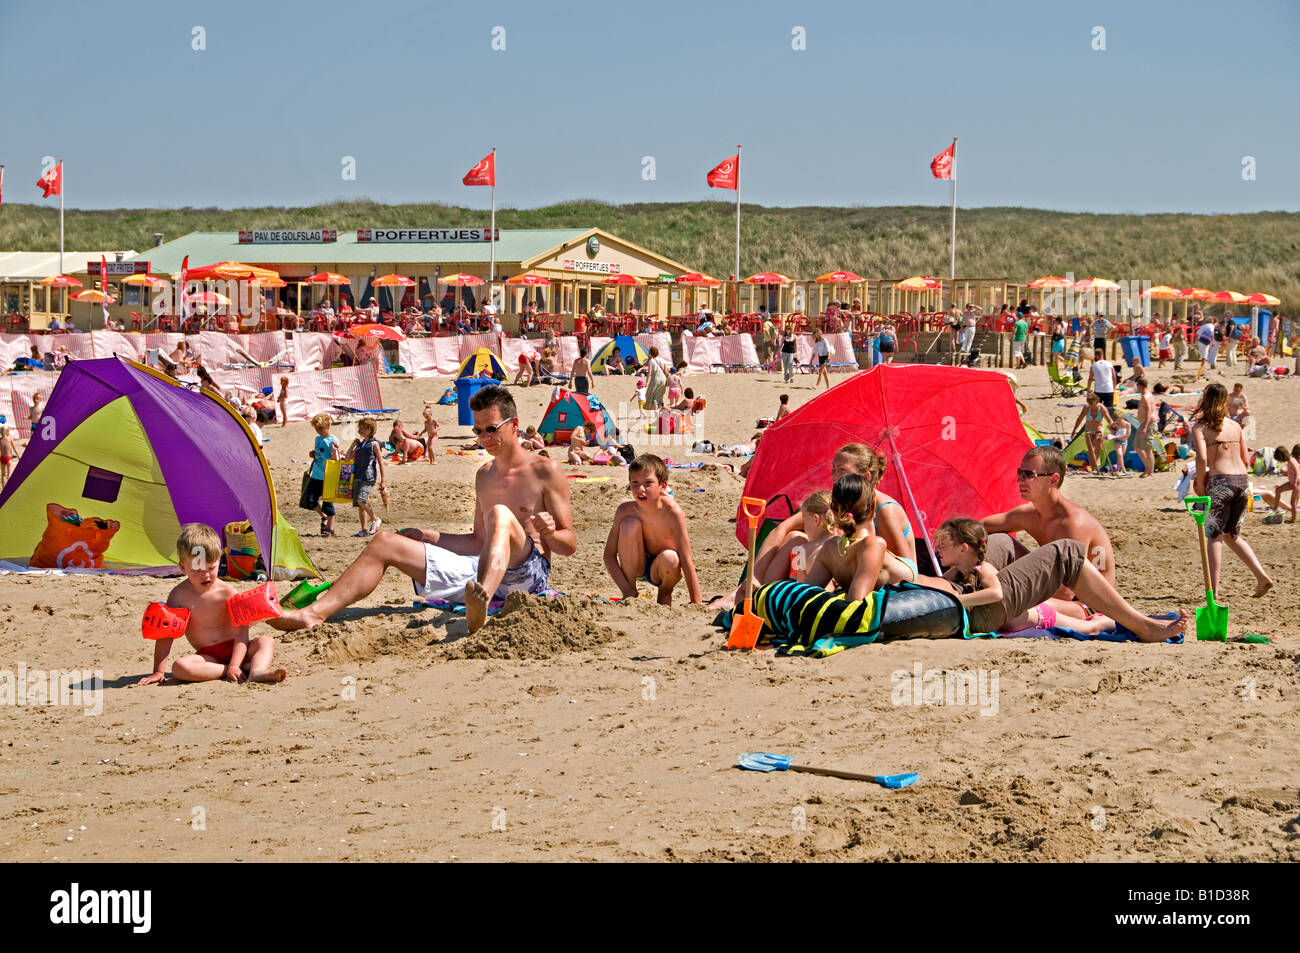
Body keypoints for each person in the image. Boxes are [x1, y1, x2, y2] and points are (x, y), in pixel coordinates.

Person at [275, 387, 575, 634]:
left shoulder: (545, 469)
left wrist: (550, 533)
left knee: (499, 513)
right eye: (478, 430)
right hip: (481, 569)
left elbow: (569, 545)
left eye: (491, 429)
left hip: (527, 576)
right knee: (385, 543)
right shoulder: (484, 474)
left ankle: (480, 601)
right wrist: (427, 536)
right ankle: (314, 613)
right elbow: (478, 542)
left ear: (514, 424)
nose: (484, 438)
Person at [136, 523, 286, 686]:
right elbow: (167, 635)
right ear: (182, 567)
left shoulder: (227, 592)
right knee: (180, 667)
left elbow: (242, 632)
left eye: (211, 568)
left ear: (219, 560)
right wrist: (158, 671)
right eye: (197, 570)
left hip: (238, 648)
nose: (205, 575)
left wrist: (236, 662)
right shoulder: (179, 596)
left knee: (266, 641)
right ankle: (233, 669)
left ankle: (257, 671)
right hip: (209, 656)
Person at [982, 446, 1118, 592]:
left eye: (1028, 475)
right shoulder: (1030, 514)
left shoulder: (1072, 523)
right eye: (1020, 473)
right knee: (1001, 542)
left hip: (1088, 603)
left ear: (1053, 480)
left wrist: (1010, 592)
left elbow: (1066, 592)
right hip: (1058, 588)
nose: (1020, 481)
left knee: (1010, 607)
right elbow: (976, 528)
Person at [1190, 382, 1272, 597]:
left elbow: (1201, 458)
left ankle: (1213, 591)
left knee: (1214, 536)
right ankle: (1262, 577)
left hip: (1220, 481)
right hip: (1243, 482)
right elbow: (1246, 459)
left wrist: (1200, 483)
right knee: (1232, 535)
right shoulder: (1235, 426)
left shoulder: (1200, 427)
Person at [603, 454, 702, 605]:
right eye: (635, 482)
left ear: (662, 486)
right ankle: (631, 596)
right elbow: (609, 555)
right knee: (629, 524)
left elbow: (686, 559)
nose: (641, 489)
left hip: (664, 568)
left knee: (671, 558)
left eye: (648, 483)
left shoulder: (672, 512)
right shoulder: (625, 510)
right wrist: (626, 589)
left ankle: (664, 594)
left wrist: (697, 603)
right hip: (637, 564)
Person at [751, 490, 832, 585]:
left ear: (816, 519)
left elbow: (799, 585)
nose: (805, 528)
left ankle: (763, 590)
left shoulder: (801, 551)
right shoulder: (841, 546)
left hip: (808, 596)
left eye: (805, 522)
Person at [306, 413, 340, 536]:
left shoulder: (333, 440)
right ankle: (324, 516)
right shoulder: (318, 439)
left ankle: (330, 529)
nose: (318, 431)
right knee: (309, 500)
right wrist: (313, 454)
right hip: (316, 474)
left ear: (328, 425)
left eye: (320, 428)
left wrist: (334, 454)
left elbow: (335, 458)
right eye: (316, 428)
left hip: (328, 475)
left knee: (328, 503)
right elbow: (319, 454)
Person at [1073, 392, 1113, 473]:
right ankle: (1093, 468)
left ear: (1097, 401)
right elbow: (1080, 419)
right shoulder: (1086, 408)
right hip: (1089, 429)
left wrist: (1114, 430)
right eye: (1089, 403)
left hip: (1099, 429)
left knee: (1097, 442)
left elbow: (1109, 420)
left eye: (1093, 403)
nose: (1091, 405)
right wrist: (1074, 430)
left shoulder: (1102, 408)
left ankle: (1097, 463)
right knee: (1090, 449)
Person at [1259, 446, 1298, 523]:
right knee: (1278, 490)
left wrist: (1295, 482)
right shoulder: (1290, 460)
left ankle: (1293, 519)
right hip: (1292, 482)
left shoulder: (1292, 461)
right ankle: (1275, 508)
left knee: (1293, 502)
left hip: (1297, 484)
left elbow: (1297, 471)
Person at [1134, 378, 1158, 477]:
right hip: (1144, 423)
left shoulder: (1146, 397)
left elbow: (1149, 412)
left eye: (1137, 385)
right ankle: (1147, 468)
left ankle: (1150, 471)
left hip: (1148, 424)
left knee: (1148, 449)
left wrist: (1145, 426)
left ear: (1140, 386)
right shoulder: (1147, 394)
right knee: (1137, 446)